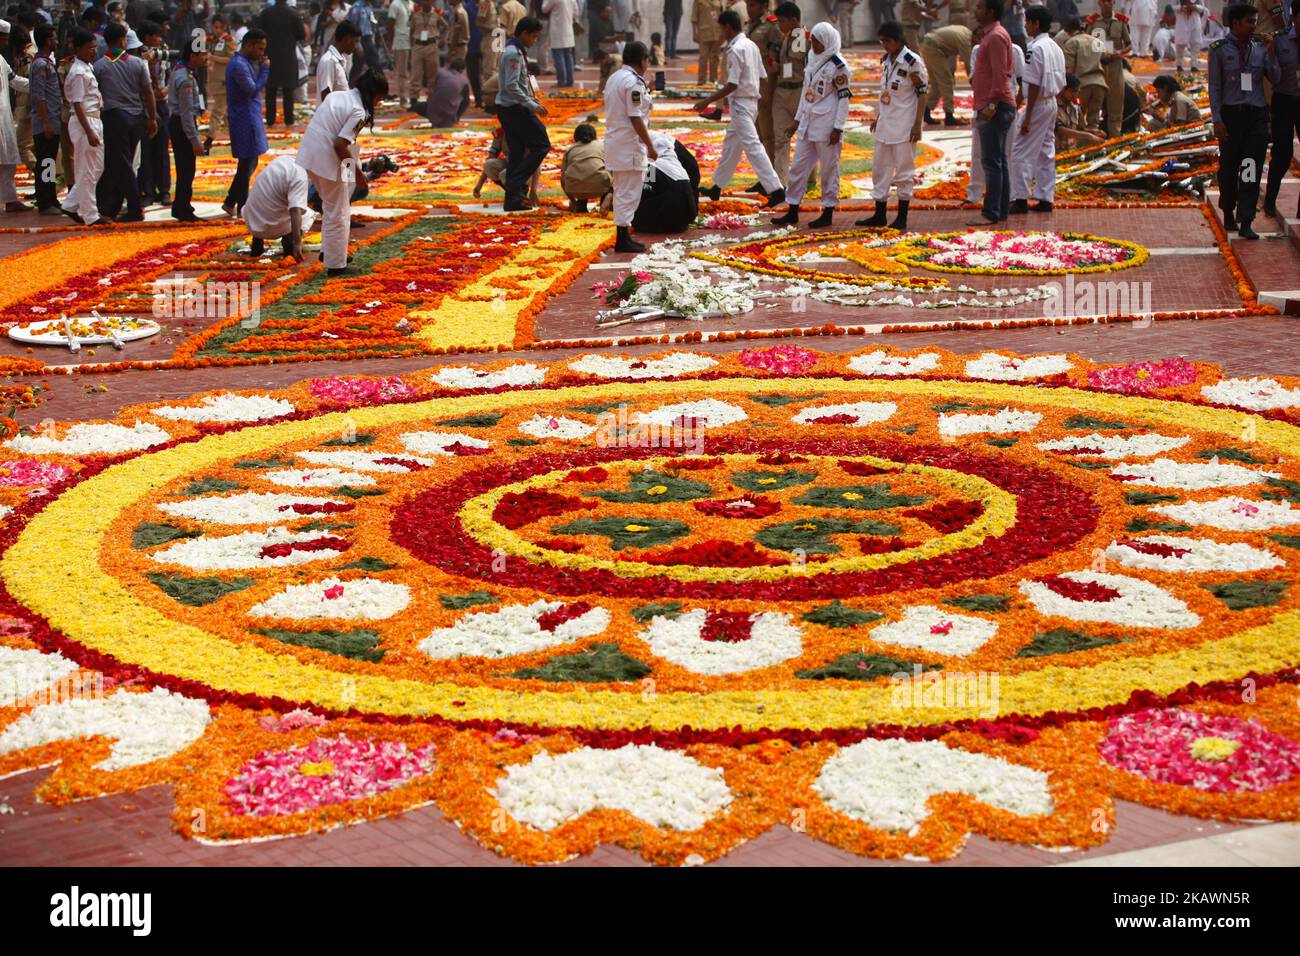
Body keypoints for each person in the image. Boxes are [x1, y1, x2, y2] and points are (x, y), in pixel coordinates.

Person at [297, 69, 387, 273]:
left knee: (331, 207)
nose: (378, 104)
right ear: (372, 94)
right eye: (379, 98)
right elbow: (340, 145)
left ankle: (329, 252)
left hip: (309, 155)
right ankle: (336, 265)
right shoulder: (359, 111)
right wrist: (357, 174)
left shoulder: (338, 96)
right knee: (338, 212)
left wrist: (351, 172)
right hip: (326, 158)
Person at [695, 9, 786, 204]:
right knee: (731, 146)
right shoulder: (750, 45)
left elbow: (732, 84)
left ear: (727, 28)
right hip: (749, 102)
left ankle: (776, 189)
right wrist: (758, 96)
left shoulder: (736, 50)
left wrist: (707, 101)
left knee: (753, 146)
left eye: (721, 28)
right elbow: (762, 75)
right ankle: (717, 187)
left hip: (741, 104)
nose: (721, 33)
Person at [771, 20, 849, 227]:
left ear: (828, 40)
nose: (814, 45)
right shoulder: (812, 59)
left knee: (829, 170)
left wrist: (838, 128)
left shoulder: (839, 66)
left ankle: (828, 212)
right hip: (807, 123)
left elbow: (844, 99)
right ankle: (793, 209)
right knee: (797, 168)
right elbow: (807, 95)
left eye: (818, 41)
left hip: (827, 126)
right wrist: (796, 121)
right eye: (813, 41)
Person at [1209, 3, 1277, 238]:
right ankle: (1228, 210)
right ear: (1235, 23)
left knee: (1251, 167)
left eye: (1255, 22)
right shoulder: (1218, 50)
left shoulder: (1259, 48)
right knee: (1228, 169)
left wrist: (1271, 54)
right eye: (1249, 22)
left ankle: (1246, 219)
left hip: (1255, 116)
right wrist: (1217, 119)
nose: (1254, 26)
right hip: (1231, 117)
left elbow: (1275, 78)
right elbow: (1215, 87)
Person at [856, 19, 924, 230]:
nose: (884, 45)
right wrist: (879, 116)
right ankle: (880, 214)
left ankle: (902, 217)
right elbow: (886, 93)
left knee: (904, 170)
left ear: (897, 40)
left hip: (904, 125)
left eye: (887, 41)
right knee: (880, 169)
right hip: (886, 123)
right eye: (882, 41)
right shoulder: (886, 60)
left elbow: (922, 94)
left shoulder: (912, 62)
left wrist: (917, 125)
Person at [93, 22, 155, 222]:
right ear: (123, 40)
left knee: (122, 164)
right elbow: (148, 93)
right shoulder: (138, 63)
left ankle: (135, 209)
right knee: (122, 163)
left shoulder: (99, 65)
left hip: (114, 118)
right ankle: (113, 206)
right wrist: (152, 118)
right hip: (136, 117)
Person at [1009, 5, 1065, 212]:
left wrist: (1028, 114)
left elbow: (1032, 83)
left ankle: (1020, 198)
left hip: (1039, 103)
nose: (1025, 26)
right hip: (1051, 101)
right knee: (1045, 151)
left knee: (1020, 150)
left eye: (1027, 22)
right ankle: (1045, 197)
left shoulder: (1035, 48)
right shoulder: (1054, 46)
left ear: (1035, 23)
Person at [603, 39, 655, 250]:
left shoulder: (615, 77)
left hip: (616, 142)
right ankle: (622, 238)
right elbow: (635, 117)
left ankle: (623, 235)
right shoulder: (633, 83)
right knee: (629, 192)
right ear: (642, 60)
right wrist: (650, 145)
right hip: (629, 145)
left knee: (622, 189)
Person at [495, 16, 550, 211]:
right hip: (514, 109)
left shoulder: (514, 50)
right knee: (542, 144)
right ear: (524, 33)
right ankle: (515, 183)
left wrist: (530, 99)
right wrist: (531, 105)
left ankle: (512, 200)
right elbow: (511, 86)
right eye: (533, 37)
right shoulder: (513, 53)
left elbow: (517, 83)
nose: (534, 40)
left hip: (510, 107)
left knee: (517, 153)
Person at [968, 0, 1015, 223]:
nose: (976, 11)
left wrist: (992, 106)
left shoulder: (995, 36)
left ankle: (991, 212)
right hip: (992, 103)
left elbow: (1000, 74)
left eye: (979, 7)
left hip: (993, 105)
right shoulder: (993, 34)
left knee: (991, 162)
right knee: (998, 160)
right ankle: (1001, 209)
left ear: (991, 11)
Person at [223, 28, 269, 216]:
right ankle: (243, 207)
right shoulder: (239, 65)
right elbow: (252, 90)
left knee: (250, 162)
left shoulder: (244, 62)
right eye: (259, 48)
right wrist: (265, 71)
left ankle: (230, 201)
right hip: (245, 118)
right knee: (246, 163)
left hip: (249, 116)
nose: (261, 53)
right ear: (248, 45)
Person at [61, 30, 105, 224]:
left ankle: (71, 204)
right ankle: (90, 215)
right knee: (87, 169)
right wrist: (89, 132)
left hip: (93, 118)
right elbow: (77, 104)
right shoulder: (78, 72)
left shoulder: (87, 67)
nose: (93, 51)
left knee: (96, 168)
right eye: (89, 48)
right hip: (85, 122)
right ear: (78, 49)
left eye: (94, 47)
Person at [243, 155, 316, 259]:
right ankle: (289, 245)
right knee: (310, 215)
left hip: (251, 221)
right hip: (269, 227)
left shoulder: (283, 160)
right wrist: (297, 243)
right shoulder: (301, 176)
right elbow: (295, 210)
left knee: (272, 200)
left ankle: (257, 243)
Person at [1264, 0, 1297, 216]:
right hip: (1285, 99)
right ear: (1295, 17)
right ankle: (1269, 199)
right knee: (1283, 153)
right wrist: (1272, 56)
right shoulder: (1281, 40)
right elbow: (1273, 76)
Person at [167, 41, 206, 222]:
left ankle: (183, 204)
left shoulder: (182, 70)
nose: (205, 58)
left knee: (186, 167)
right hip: (182, 125)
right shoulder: (185, 79)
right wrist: (194, 139)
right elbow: (186, 112)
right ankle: (182, 208)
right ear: (192, 56)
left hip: (179, 122)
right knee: (186, 168)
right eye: (202, 55)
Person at [772, 2, 810, 185]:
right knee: (780, 138)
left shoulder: (806, 37)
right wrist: (777, 67)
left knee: (808, 136)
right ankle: (781, 181)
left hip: (799, 91)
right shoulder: (787, 38)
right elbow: (788, 67)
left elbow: (803, 65)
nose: (780, 25)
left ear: (794, 20)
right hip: (782, 90)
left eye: (782, 21)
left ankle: (810, 177)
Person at [634, 130, 699, 231]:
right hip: (688, 216)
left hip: (670, 218)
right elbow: (694, 170)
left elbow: (645, 192)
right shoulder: (673, 159)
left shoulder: (650, 166)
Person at [746, 0, 784, 170]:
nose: (749, 9)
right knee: (757, 133)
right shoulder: (749, 25)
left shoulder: (771, 26)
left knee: (767, 133)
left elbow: (773, 59)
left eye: (753, 5)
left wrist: (768, 90)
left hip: (765, 85)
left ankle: (773, 173)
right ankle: (764, 175)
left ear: (763, 6)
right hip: (751, 83)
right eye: (747, 5)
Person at [27, 23, 60, 215]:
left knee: (50, 162)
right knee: (46, 162)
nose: (56, 41)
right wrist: (46, 122)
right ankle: (45, 201)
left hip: (52, 121)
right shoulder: (40, 64)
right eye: (54, 38)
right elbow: (38, 96)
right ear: (48, 41)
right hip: (46, 123)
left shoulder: (47, 62)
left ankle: (51, 197)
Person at [136, 20, 169, 208]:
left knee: (162, 149)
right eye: (156, 35)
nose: (159, 39)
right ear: (147, 37)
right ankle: (147, 191)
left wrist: (166, 89)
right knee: (146, 151)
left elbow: (170, 74)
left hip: (162, 104)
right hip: (144, 106)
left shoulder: (163, 51)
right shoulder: (137, 55)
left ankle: (163, 190)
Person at [1086, 0, 1131, 136]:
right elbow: (1086, 40)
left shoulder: (1121, 21)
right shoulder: (1093, 22)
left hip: (1115, 66)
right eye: (1103, 1)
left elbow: (1129, 44)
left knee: (1116, 102)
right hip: (1098, 66)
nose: (1106, 4)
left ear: (1114, 3)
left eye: (1109, 1)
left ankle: (1115, 137)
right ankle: (1092, 136)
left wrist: (1120, 52)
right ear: (1099, 3)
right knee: (1095, 103)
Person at [258, 0, 304, 126]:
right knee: (288, 90)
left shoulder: (266, 13)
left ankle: (270, 120)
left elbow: (259, 33)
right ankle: (289, 120)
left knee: (270, 89)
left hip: (270, 54)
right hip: (288, 55)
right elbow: (301, 35)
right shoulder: (294, 14)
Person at [0, 19, 30, 213]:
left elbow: (14, 80)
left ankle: (10, 199)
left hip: (4, 116)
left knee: (8, 160)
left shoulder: (1, 60)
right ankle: (48, 182)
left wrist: (39, 85)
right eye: (3, 39)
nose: (5, 43)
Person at [921, 23, 973, 124]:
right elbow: (968, 65)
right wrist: (974, 82)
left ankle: (926, 111)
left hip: (927, 44)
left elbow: (949, 48)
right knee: (947, 81)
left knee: (936, 82)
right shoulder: (966, 41)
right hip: (934, 48)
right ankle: (949, 115)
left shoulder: (964, 30)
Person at [1062, 16, 1107, 127]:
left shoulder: (1072, 42)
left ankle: (1081, 144)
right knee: (1094, 122)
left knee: (1077, 121)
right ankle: (1095, 143)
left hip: (1081, 86)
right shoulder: (1096, 41)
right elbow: (1105, 62)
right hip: (1100, 84)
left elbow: (1069, 70)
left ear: (1068, 31)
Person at [561, 123, 611, 210]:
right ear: (594, 135)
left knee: (580, 172)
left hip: (574, 190)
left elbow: (562, 178)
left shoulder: (570, 149)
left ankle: (580, 205)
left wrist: (572, 200)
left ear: (575, 137)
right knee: (614, 171)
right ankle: (608, 198)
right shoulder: (602, 145)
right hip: (600, 188)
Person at [207, 14, 236, 151]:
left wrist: (213, 57)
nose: (217, 30)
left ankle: (209, 139)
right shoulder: (210, 40)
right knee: (225, 113)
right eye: (215, 27)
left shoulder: (229, 41)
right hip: (213, 80)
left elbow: (231, 59)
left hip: (224, 80)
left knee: (218, 111)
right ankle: (235, 138)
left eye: (220, 27)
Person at [410, 0, 446, 108]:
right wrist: (411, 45)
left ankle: (431, 99)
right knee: (416, 74)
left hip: (431, 46)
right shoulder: (415, 14)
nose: (425, 2)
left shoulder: (437, 14)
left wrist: (443, 39)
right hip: (418, 46)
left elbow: (446, 26)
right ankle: (413, 101)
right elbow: (411, 30)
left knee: (433, 75)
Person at [1056, 72, 1105, 145]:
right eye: (1072, 91)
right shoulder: (1054, 107)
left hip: (1071, 149)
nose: (1075, 95)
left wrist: (1092, 132)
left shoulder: (1075, 108)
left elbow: (1080, 129)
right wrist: (1088, 136)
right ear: (1063, 89)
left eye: (1077, 91)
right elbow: (1059, 129)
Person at [318, 19, 358, 100]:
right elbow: (326, 96)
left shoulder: (340, 60)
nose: (355, 46)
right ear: (348, 39)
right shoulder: (329, 61)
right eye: (355, 41)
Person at [423, 56, 471, 124]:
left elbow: (433, 91)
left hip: (434, 111)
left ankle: (435, 117)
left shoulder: (440, 73)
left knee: (417, 106)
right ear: (461, 70)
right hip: (451, 114)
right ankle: (456, 118)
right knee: (465, 99)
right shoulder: (464, 81)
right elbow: (466, 102)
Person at [543, 0, 577, 85]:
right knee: (568, 57)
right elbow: (576, 13)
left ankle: (561, 81)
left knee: (558, 57)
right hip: (568, 30)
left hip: (557, 31)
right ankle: (570, 81)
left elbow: (544, 9)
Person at [387, 0, 414, 105]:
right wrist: (390, 42)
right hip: (400, 41)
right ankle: (403, 98)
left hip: (412, 40)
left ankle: (413, 96)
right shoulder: (395, 4)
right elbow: (390, 25)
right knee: (402, 71)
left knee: (414, 71)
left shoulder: (411, 4)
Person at [693, 0, 723, 80]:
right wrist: (694, 33)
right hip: (704, 32)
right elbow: (694, 18)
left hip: (717, 32)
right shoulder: (698, 1)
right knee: (703, 57)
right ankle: (701, 80)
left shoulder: (719, 1)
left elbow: (722, 16)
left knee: (715, 57)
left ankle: (714, 79)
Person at [1173, 0, 1207, 69]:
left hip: (1194, 19)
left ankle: (1194, 65)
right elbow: (1173, 7)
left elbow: (1202, 8)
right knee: (1180, 43)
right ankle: (1179, 64)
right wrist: (1181, 8)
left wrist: (1194, 7)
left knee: (1195, 42)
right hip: (1182, 19)